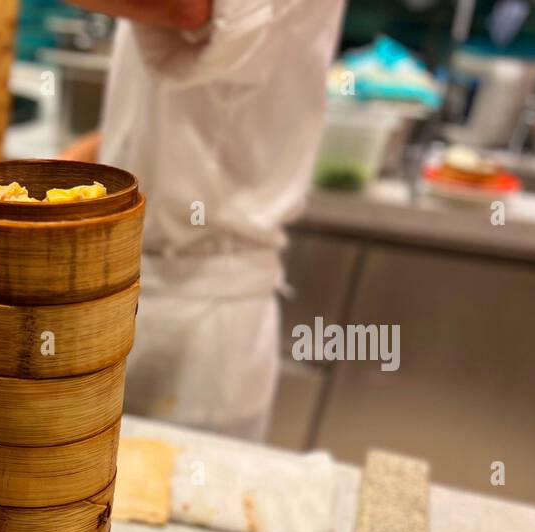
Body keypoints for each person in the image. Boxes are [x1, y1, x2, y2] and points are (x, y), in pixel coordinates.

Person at [62, 1, 346, 439]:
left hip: (201, 316)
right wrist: (60, 171)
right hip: (116, 286)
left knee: (174, 500)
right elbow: (161, 116)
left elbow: (187, 9)